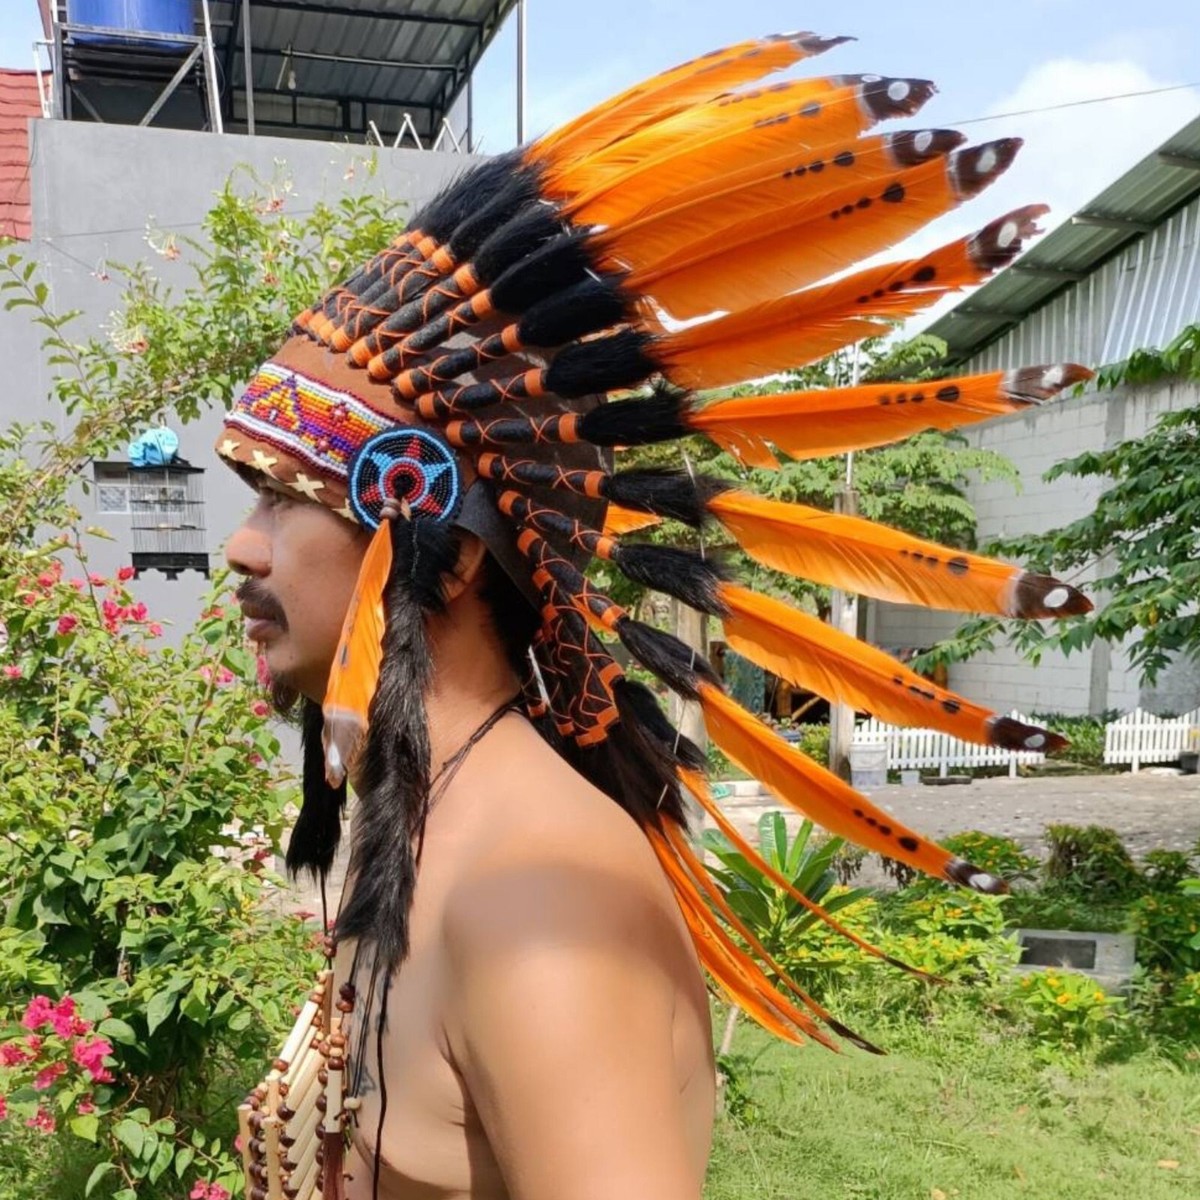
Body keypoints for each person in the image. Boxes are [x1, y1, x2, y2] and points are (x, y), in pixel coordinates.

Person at [219, 30, 1091, 1200]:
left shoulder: (540, 905)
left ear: (444, 544)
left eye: (289, 493)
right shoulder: (434, 823)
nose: (242, 545)